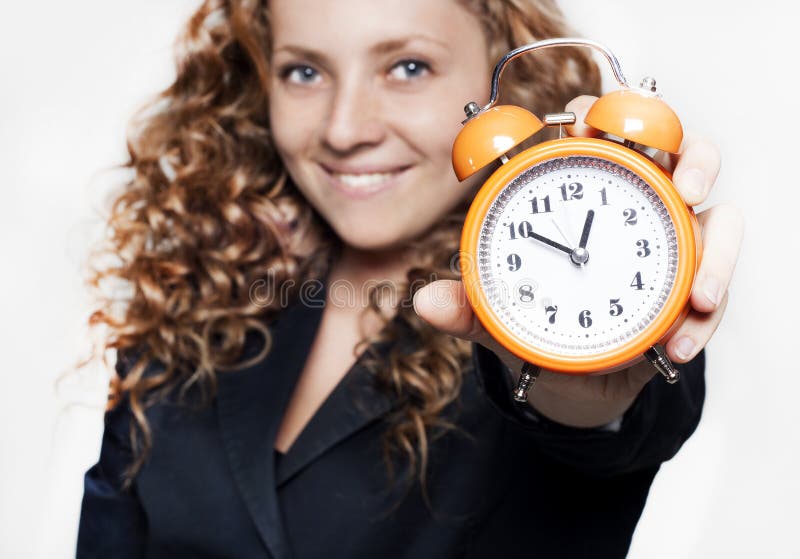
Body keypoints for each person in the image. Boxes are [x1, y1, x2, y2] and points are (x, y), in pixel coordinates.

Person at [76, 0, 743, 557]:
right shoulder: (204, 287)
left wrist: (584, 395)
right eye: (304, 71)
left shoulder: (563, 310)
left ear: (494, 69)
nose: (344, 129)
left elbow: (622, 419)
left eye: (408, 67)